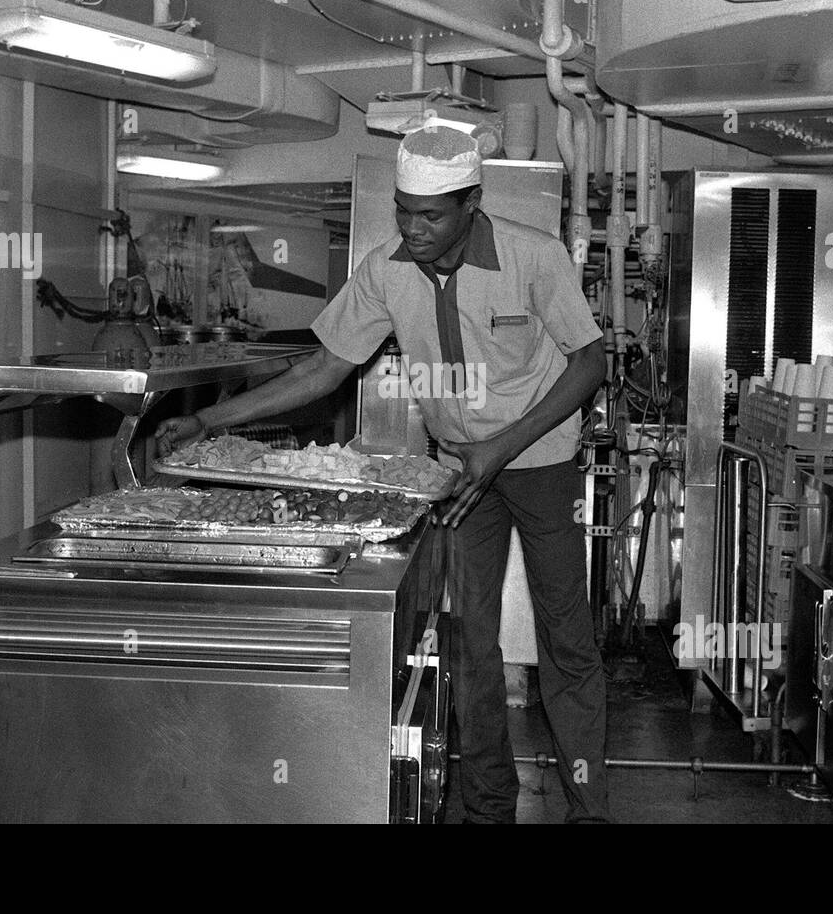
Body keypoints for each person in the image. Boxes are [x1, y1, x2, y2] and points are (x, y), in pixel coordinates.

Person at [155, 123, 609, 823]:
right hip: (460, 474)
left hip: (541, 461)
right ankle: (488, 807)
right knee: (469, 641)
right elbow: (323, 368)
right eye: (402, 210)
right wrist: (210, 421)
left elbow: (589, 362)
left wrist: (505, 444)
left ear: (471, 204)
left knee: (566, 639)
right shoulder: (385, 269)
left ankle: (591, 809)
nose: (412, 227)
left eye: (429, 215)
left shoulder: (535, 255)